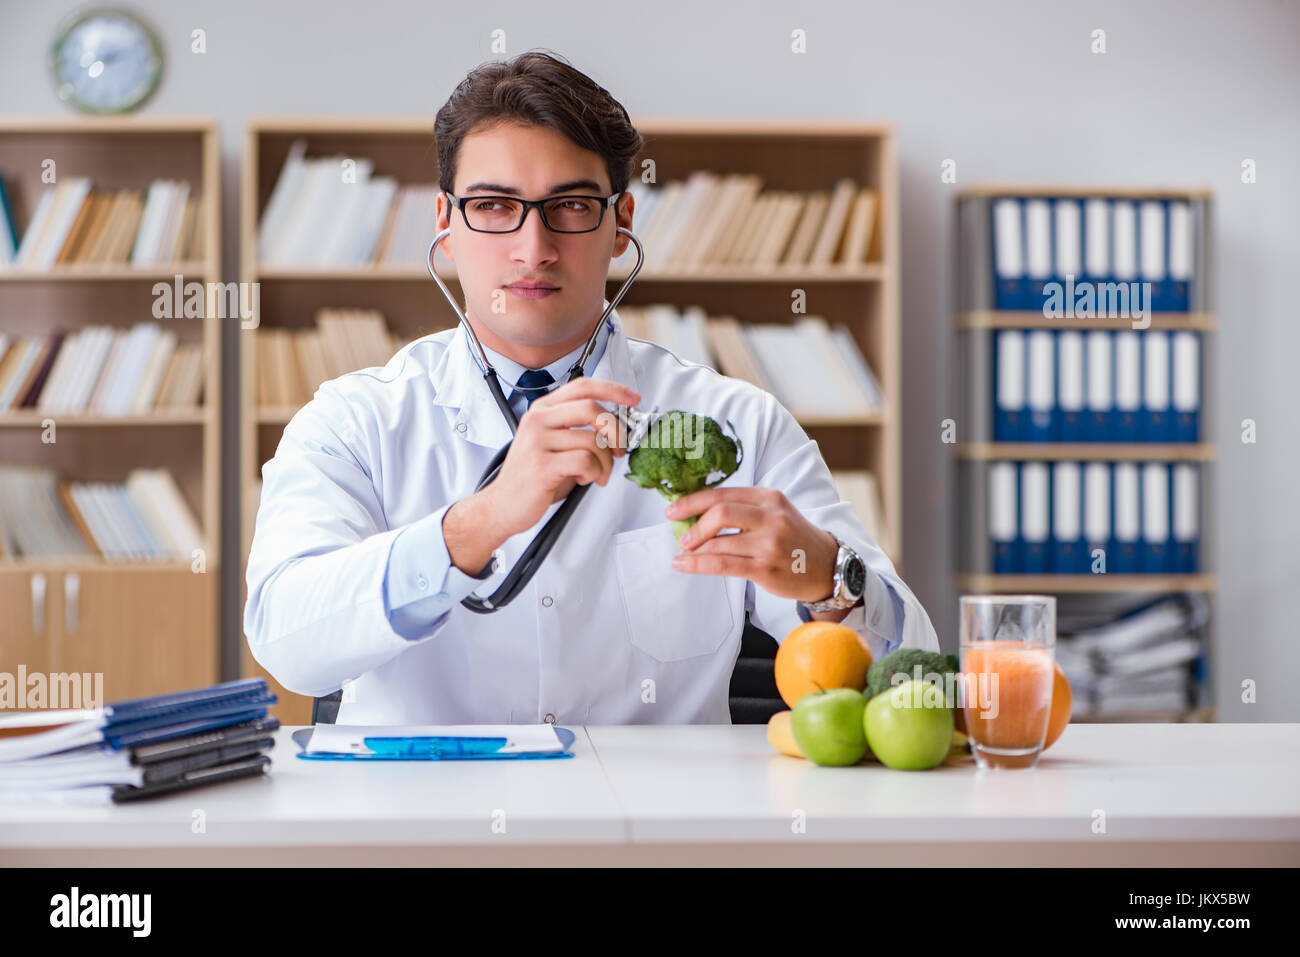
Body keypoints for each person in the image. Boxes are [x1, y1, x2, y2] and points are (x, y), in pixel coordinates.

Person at [244, 50, 939, 725]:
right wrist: (480, 521)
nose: (533, 247)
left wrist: (828, 576)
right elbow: (286, 641)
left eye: (571, 205)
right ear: (447, 225)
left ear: (621, 224)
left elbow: (913, 678)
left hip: (655, 836)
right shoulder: (352, 421)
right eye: (492, 205)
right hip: (426, 828)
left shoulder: (739, 424)